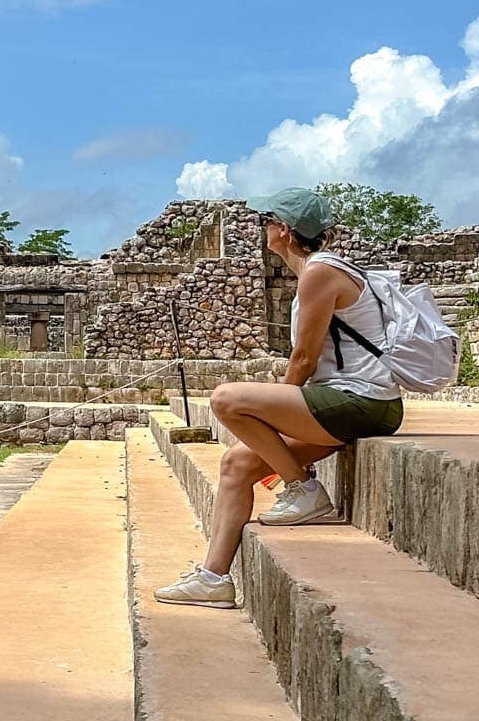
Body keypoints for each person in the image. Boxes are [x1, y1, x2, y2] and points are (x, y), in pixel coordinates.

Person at [153, 187, 405, 609]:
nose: (263, 229)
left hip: (361, 401)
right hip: (344, 403)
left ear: (284, 230)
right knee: (236, 464)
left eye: (266, 221)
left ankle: (302, 487)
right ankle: (213, 578)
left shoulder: (320, 272)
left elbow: (304, 358)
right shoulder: (319, 269)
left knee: (227, 399)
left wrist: (276, 415)